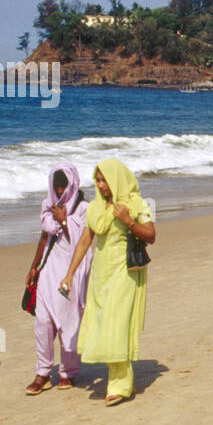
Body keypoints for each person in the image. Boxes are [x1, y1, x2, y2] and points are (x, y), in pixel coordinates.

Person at [60, 158, 155, 406]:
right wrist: (70, 274)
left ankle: (119, 385)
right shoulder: (95, 208)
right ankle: (124, 379)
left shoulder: (135, 203)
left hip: (126, 272)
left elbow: (151, 235)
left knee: (117, 323)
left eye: (105, 180)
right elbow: (84, 242)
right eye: (98, 180)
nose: (101, 185)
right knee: (104, 324)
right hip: (101, 274)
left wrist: (128, 220)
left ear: (117, 178)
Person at [25, 163, 91, 394]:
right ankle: (42, 373)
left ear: (73, 185)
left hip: (72, 272)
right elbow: (45, 238)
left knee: (68, 322)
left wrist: (64, 220)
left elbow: (83, 244)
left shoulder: (84, 209)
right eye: (57, 187)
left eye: (64, 186)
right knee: (42, 321)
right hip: (48, 270)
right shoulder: (48, 205)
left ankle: (68, 372)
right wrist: (34, 267)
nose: (61, 191)